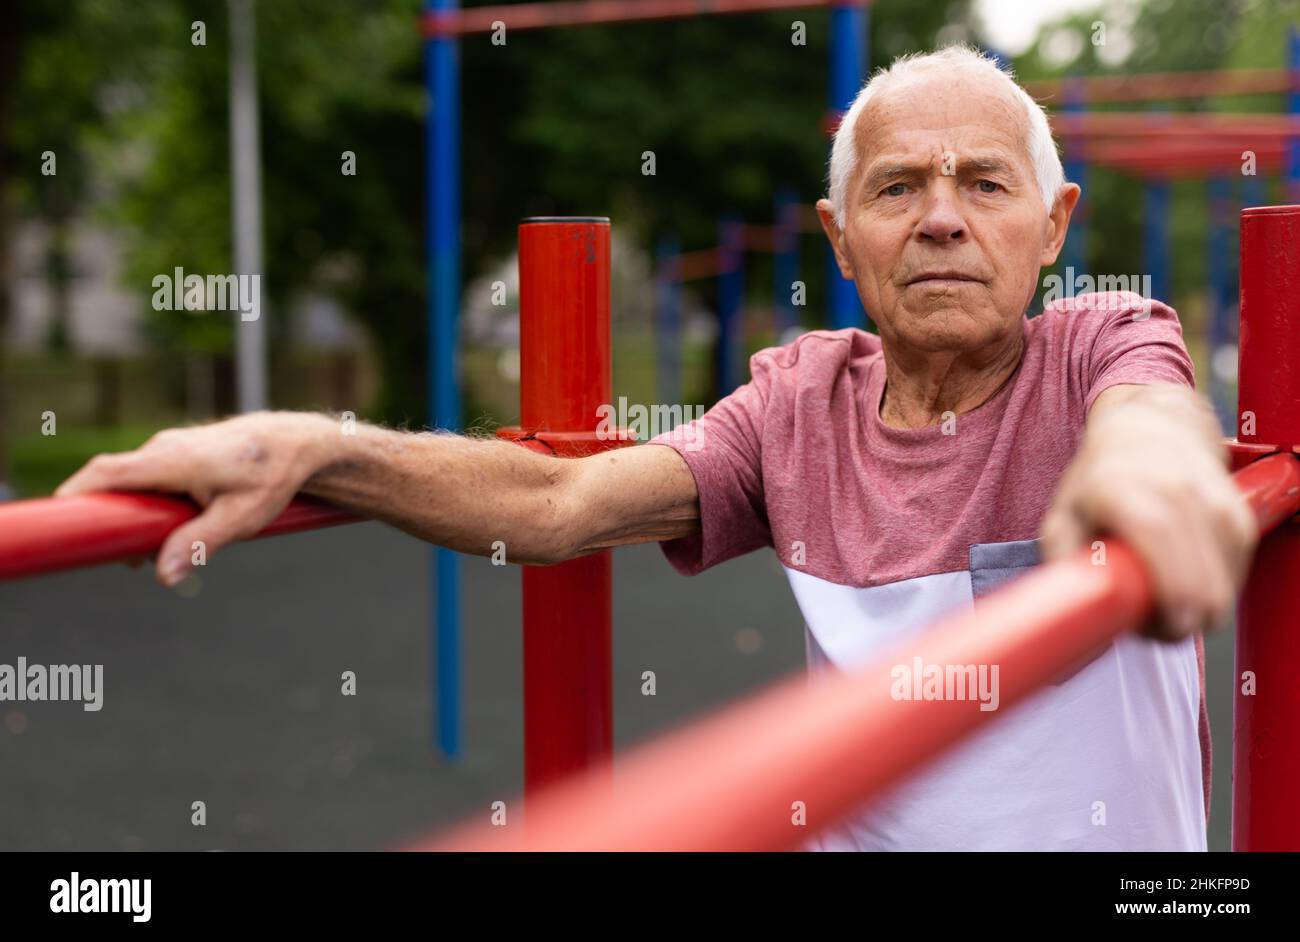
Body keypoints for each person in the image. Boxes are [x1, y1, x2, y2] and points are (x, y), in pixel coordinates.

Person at [57, 45, 1256, 851]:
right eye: (897, 188)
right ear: (843, 241)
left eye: (984, 183)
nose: (940, 214)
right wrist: (314, 446)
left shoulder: (1102, 343)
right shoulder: (799, 405)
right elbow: (559, 500)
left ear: (1053, 228)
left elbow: (1145, 418)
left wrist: (1139, 476)